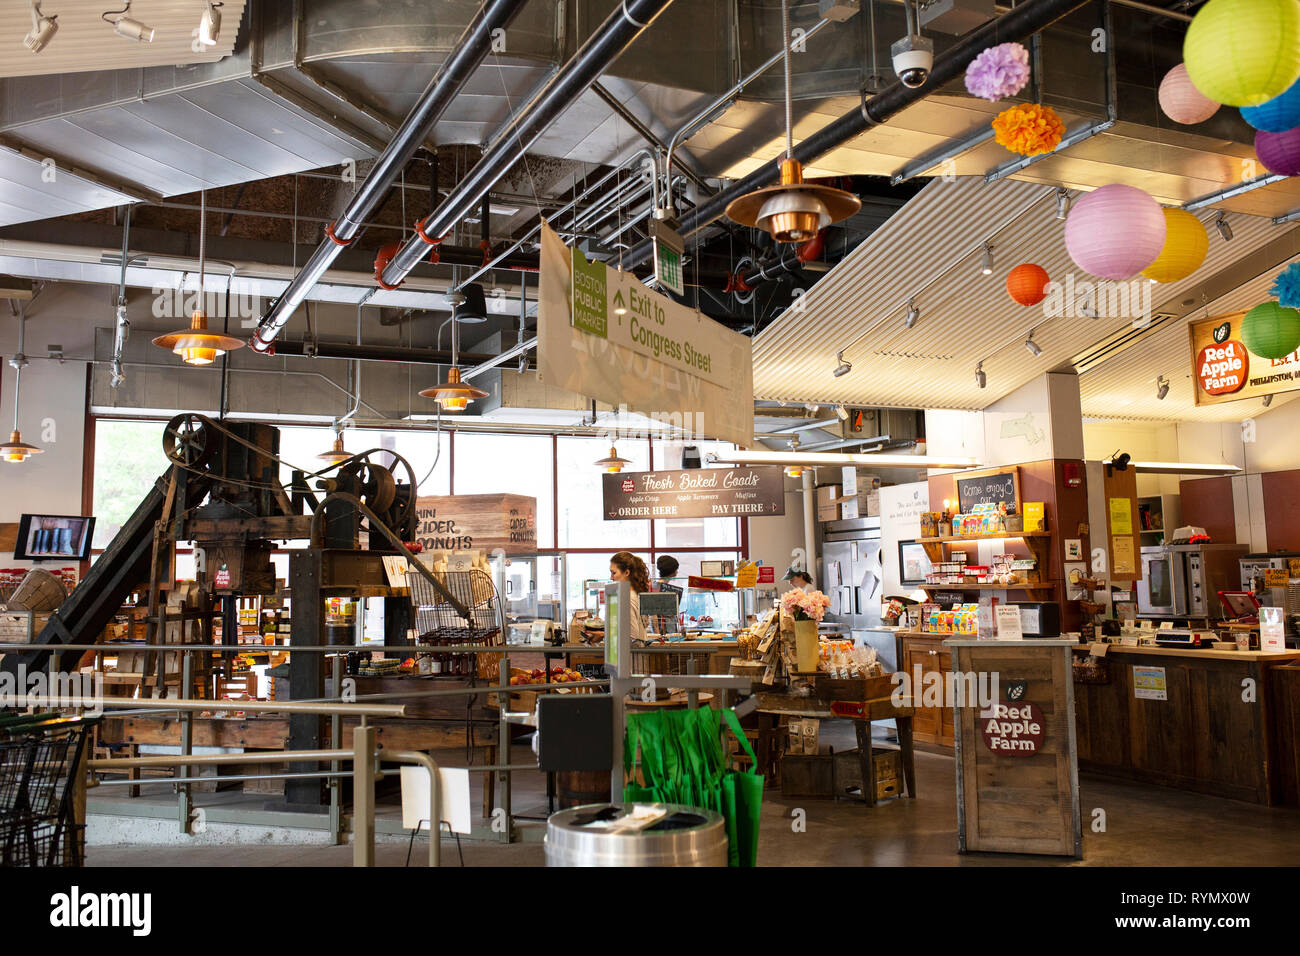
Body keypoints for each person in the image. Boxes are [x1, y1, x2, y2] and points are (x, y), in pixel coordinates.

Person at [609, 551, 652, 643]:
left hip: (630, 655)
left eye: (614, 573)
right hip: (637, 654)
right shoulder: (635, 594)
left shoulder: (626, 599)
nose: (611, 578)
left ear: (627, 572)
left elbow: (631, 636)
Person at [654, 555, 683, 635]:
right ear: (671, 570)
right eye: (676, 569)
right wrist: (657, 634)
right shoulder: (656, 587)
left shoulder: (657, 586)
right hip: (663, 631)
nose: (677, 572)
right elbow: (654, 615)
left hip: (670, 630)